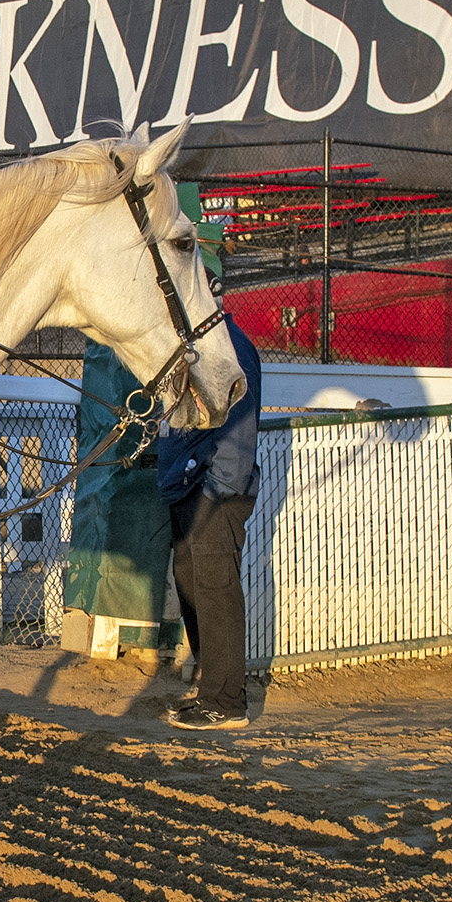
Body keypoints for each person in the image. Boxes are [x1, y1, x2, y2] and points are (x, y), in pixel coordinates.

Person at [159, 294, 263, 730]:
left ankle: (227, 702)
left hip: (214, 492)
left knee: (216, 590)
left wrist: (217, 491)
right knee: (191, 584)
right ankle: (212, 689)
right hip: (188, 486)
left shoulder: (231, 349)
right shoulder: (195, 348)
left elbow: (238, 432)